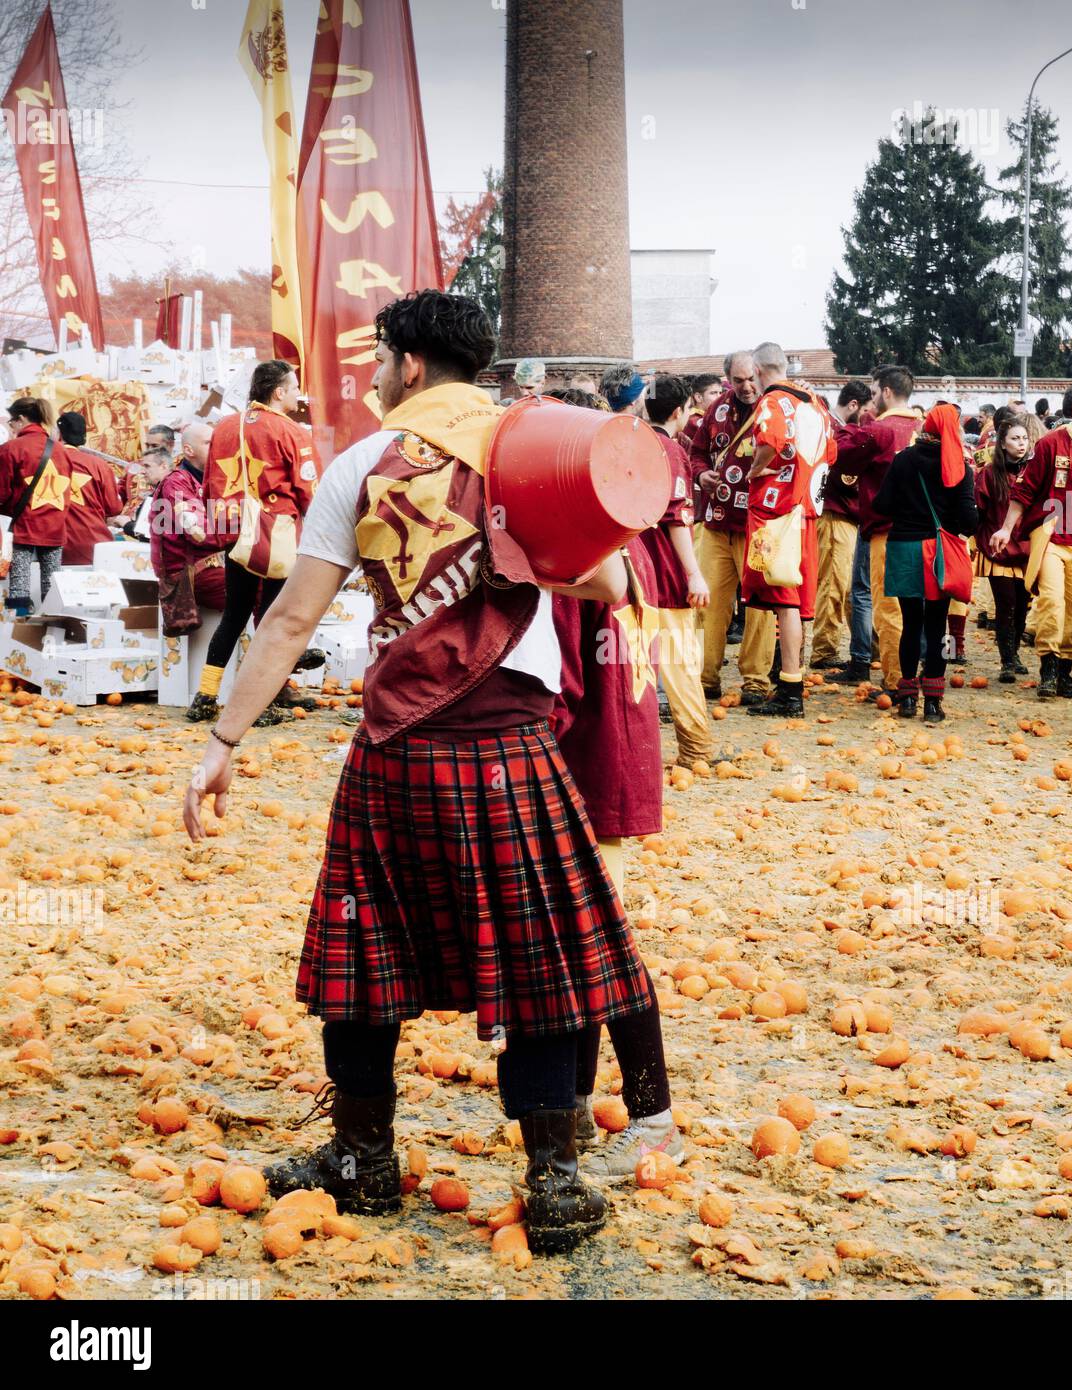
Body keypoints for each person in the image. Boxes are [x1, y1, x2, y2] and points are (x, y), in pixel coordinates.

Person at [183, 288, 659, 1253]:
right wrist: (518, 550)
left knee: (364, 956)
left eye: (376, 360)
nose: (366, 377)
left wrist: (222, 743)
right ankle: (556, 1177)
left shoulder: (361, 465)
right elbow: (612, 582)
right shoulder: (532, 449)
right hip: (514, 746)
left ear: (409, 364)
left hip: (396, 746)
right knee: (543, 963)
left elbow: (288, 621)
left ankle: (361, 1159)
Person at [548, 536, 683, 1180]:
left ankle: (653, 1121)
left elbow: (560, 687)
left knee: (598, 947)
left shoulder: (570, 550)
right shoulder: (627, 537)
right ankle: (574, 1105)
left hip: (583, 768)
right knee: (581, 945)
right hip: (617, 758)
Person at [190, 359, 318, 725]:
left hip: (236, 534)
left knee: (235, 614)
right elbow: (309, 491)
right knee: (272, 619)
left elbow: (209, 486)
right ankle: (262, 700)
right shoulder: (291, 432)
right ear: (278, 392)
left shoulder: (225, 427)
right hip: (275, 533)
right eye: (294, 388)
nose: (298, 394)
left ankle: (206, 695)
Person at [991, 381, 1072, 699]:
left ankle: (1065, 672)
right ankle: (1047, 668)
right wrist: (1006, 528)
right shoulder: (1051, 444)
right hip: (1051, 534)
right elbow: (1025, 489)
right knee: (1052, 603)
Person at [742, 342, 834, 718]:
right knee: (794, 600)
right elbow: (831, 453)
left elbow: (771, 439)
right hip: (808, 509)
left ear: (760, 371)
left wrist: (755, 469)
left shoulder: (773, 401)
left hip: (779, 510)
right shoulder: (815, 401)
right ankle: (788, 682)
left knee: (784, 601)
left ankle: (790, 690)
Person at [875, 402, 976, 722]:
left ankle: (907, 698)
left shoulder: (903, 460)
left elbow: (882, 505)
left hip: (904, 548)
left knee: (910, 624)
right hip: (938, 554)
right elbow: (968, 521)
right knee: (939, 627)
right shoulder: (958, 465)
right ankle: (933, 701)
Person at [689, 351, 776, 702]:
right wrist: (700, 473)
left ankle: (755, 681)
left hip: (759, 527)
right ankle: (705, 678)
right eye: (737, 381)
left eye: (750, 378)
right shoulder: (717, 409)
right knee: (709, 603)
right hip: (716, 523)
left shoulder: (775, 408)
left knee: (758, 607)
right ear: (728, 379)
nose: (746, 387)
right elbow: (697, 451)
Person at [638, 372, 716, 768]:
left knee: (631, 661)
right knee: (681, 656)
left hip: (632, 567)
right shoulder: (670, 451)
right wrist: (693, 573)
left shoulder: (632, 441)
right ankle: (695, 747)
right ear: (679, 411)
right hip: (664, 567)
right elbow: (677, 517)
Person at [830, 364, 922, 691]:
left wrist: (861, 423)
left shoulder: (879, 430)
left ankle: (898, 682)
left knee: (889, 609)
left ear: (884, 392)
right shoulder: (925, 428)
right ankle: (918, 677)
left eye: (872, 393)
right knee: (917, 607)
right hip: (925, 534)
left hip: (888, 531)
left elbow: (839, 454)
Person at [813, 379, 871, 669]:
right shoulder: (837, 433)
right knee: (833, 583)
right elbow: (846, 479)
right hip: (836, 514)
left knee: (846, 584)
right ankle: (824, 648)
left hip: (841, 516)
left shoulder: (828, 426)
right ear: (853, 406)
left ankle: (861, 643)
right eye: (866, 409)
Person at [0, 397, 73, 615]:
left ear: (20, 419)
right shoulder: (60, 450)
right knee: (53, 588)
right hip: (55, 526)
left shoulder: (11, 449)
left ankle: (21, 636)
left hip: (24, 526)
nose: (11, 427)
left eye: (11, 422)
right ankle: (55, 630)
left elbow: (1, 492)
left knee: (19, 588)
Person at [974, 415, 1032, 682]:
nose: (1021, 444)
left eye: (1024, 438)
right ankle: (1007, 660)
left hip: (1026, 549)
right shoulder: (988, 474)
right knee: (1005, 605)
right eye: (1014, 439)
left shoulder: (1032, 472)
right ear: (1003, 444)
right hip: (998, 550)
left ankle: (1015, 653)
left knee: (1022, 606)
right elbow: (979, 511)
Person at [150, 422, 226, 616]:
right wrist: (241, 529)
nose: (217, 448)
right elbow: (199, 534)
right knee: (260, 591)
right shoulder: (176, 482)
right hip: (190, 574)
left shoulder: (214, 478)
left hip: (214, 565)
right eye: (209, 443)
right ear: (188, 450)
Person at [56, 411, 126, 567]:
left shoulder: (46, 461)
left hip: (54, 545)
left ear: (59, 434)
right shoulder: (98, 464)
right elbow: (114, 508)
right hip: (94, 543)